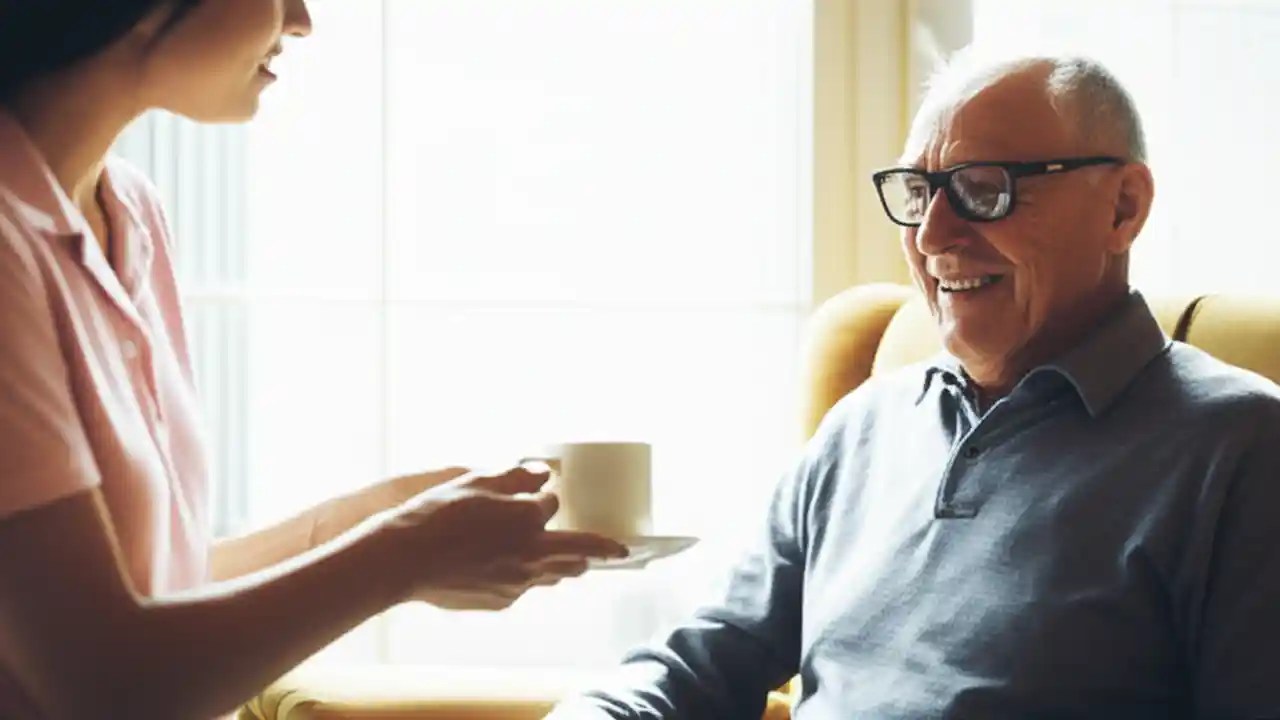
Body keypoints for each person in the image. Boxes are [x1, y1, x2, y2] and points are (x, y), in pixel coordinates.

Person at [550, 51, 1280, 718]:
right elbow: (699, 659)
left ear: (1123, 207)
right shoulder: (864, 426)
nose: (932, 237)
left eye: (983, 190)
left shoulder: (1241, 448)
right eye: (918, 191)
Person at [0, 2, 629, 717]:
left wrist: (360, 526)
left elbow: (149, 592)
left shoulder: (129, 209)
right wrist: (399, 554)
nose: (300, 20)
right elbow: (106, 683)